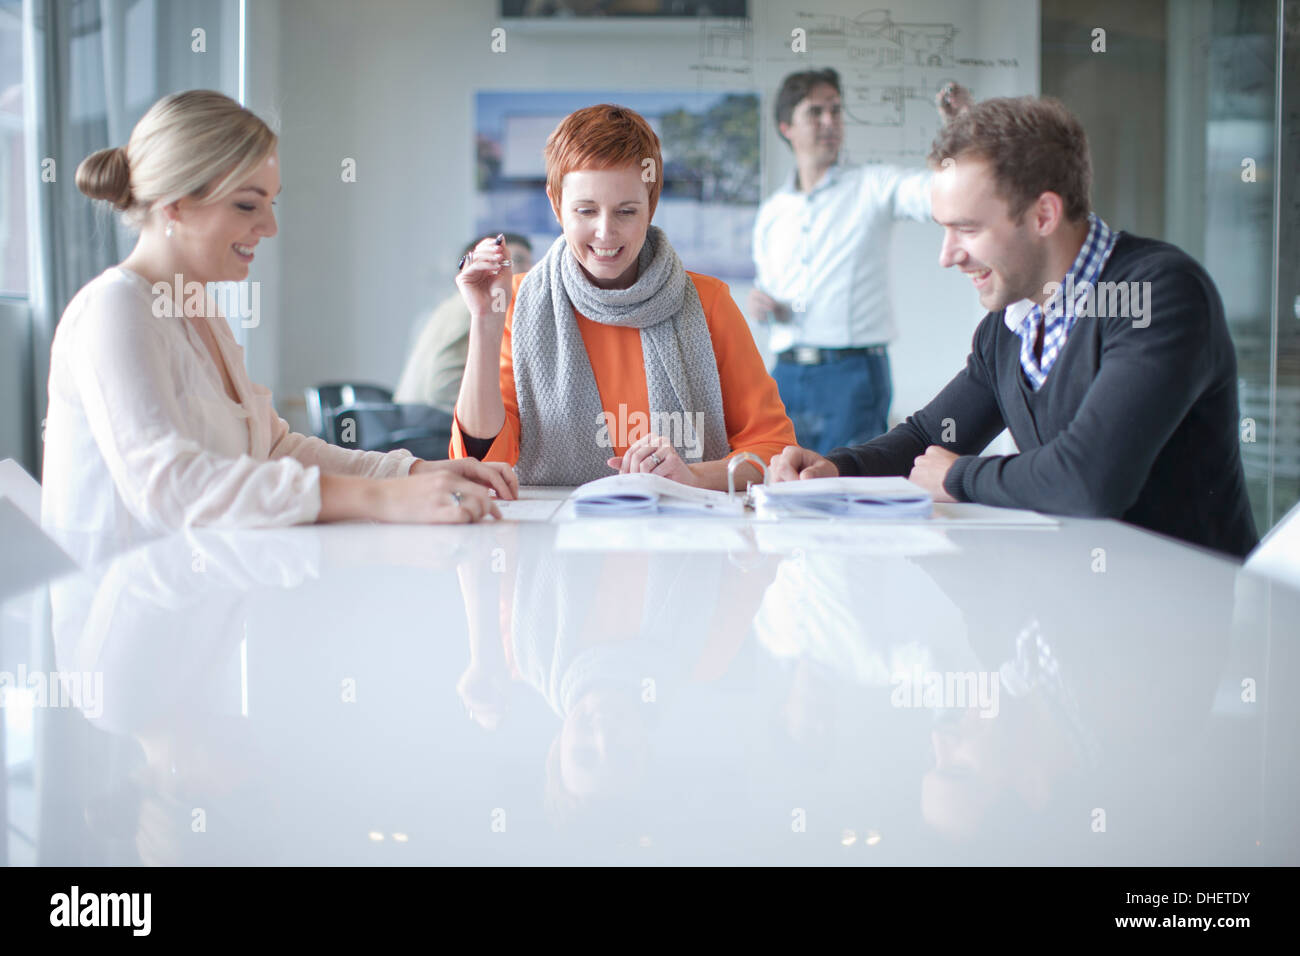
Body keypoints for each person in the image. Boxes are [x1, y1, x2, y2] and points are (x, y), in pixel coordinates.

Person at [770, 96, 1259, 559]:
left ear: (1043, 214)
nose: (948, 256)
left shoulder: (1154, 294)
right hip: (1082, 606)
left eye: (967, 228)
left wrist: (958, 477)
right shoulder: (1009, 327)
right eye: (944, 229)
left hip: (1191, 621)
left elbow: (1088, 481)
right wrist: (834, 469)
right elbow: (930, 438)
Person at [42, 90, 515, 543]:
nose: (269, 227)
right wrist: (381, 496)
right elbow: (169, 487)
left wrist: (412, 471)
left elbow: (273, 449)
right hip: (124, 615)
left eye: (272, 203)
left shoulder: (198, 310)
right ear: (176, 204)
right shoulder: (114, 309)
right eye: (248, 204)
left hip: (198, 606)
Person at [451, 103, 795, 489]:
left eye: (626, 212)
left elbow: (773, 452)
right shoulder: (517, 304)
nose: (605, 233)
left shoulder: (709, 303)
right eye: (585, 210)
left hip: (682, 537)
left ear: (652, 204)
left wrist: (690, 476)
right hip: (550, 539)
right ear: (555, 204)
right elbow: (480, 463)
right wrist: (484, 321)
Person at [750, 69, 972, 455]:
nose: (829, 122)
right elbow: (768, 289)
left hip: (853, 378)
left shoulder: (874, 186)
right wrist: (762, 305)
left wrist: (962, 130)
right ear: (787, 127)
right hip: (785, 375)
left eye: (836, 111)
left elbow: (944, 193)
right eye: (815, 112)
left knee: (851, 495)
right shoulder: (772, 212)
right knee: (780, 487)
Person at [393, 233, 534, 412]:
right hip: (432, 428)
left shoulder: (451, 305)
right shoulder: (482, 306)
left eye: (530, 263)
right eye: (516, 261)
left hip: (409, 422)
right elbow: (441, 390)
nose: (528, 271)